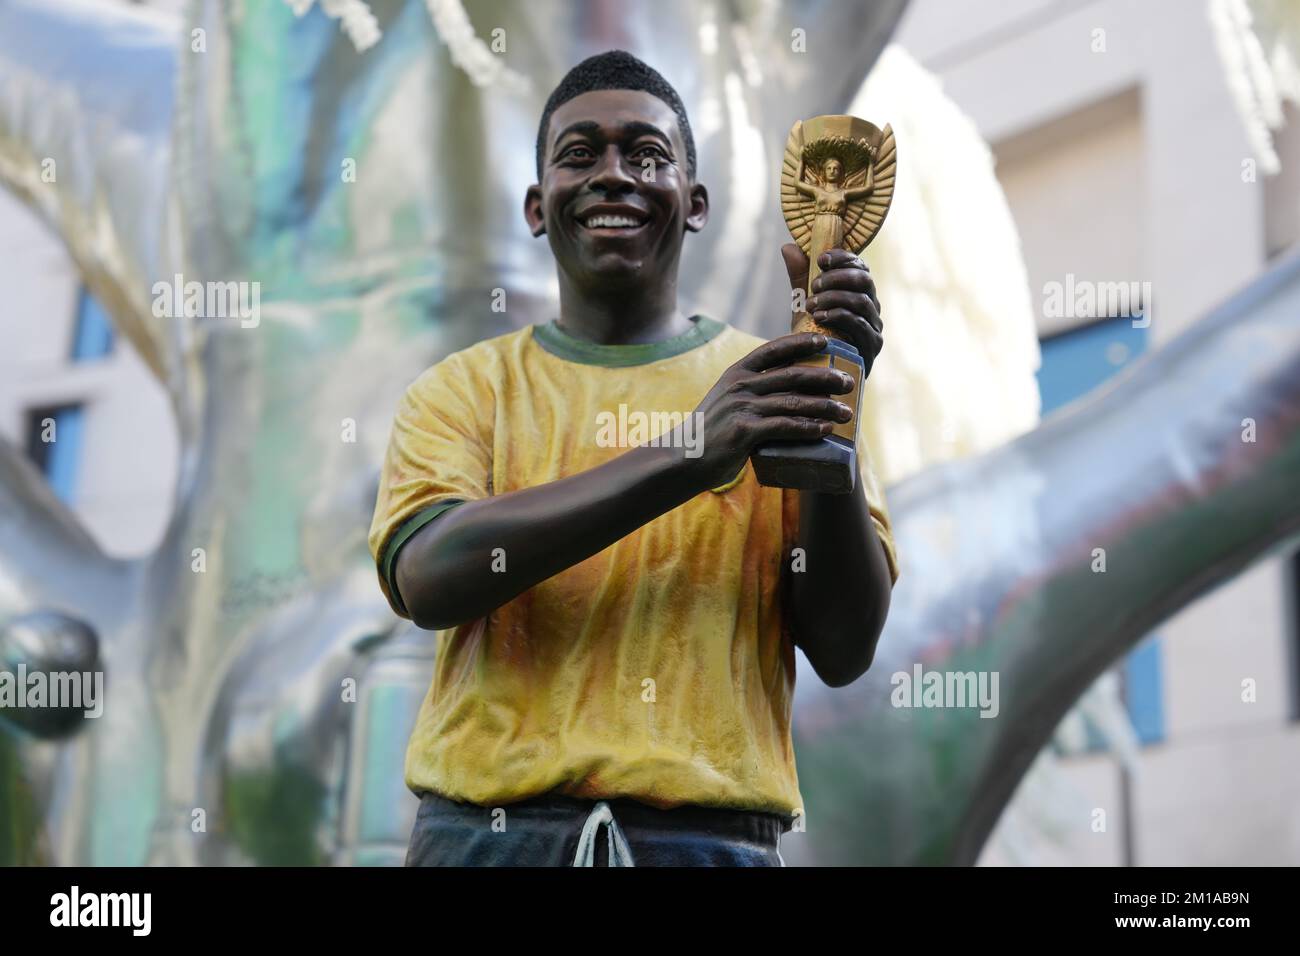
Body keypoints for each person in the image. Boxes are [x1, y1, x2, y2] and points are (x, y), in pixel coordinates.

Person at [368, 49, 899, 867]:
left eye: (646, 155)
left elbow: (842, 648)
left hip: (710, 843)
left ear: (693, 204)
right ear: (538, 207)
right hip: (488, 839)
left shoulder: (776, 384)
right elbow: (430, 578)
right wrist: (689, 454)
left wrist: (834, 417)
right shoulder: (464, 390)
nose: (613, 174)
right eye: (580, 154)